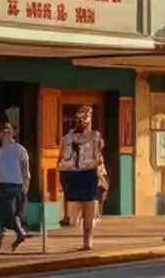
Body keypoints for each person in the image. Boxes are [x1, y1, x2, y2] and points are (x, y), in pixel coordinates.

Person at [58, 105, 104, 251]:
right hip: (72, 173)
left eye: (86, 117)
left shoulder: (95, 136)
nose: (82, 121)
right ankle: (69, 220)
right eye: (80, 118)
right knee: (74, 212)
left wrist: (101, 174)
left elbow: (98, 156)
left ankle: (87, 241)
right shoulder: (68, 138)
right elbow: (62, 156)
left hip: (89, 173)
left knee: (89, 207)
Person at [0, 121, 29, 255]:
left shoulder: (20, 150)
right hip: (1, 185)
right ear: (0, 134)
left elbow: (25, 170)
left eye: (8, 131)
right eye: (3, 132)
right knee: (0, 215)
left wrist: (25, 186)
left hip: (15, 186)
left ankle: (19, 232)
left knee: (11, 214)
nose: (5, 134)